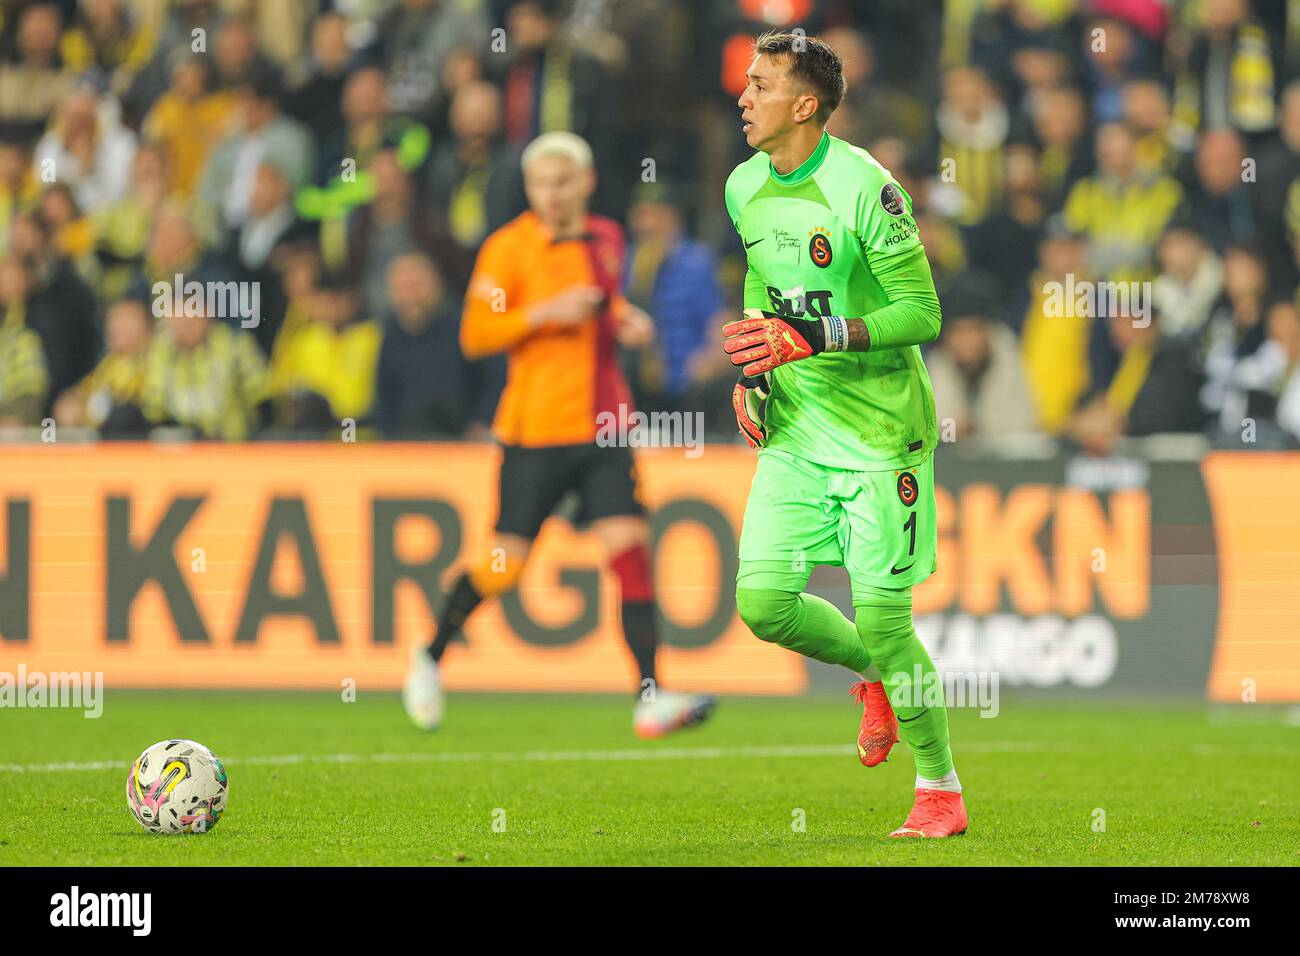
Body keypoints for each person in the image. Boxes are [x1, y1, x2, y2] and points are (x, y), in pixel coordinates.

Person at [722, 31, 964, 838]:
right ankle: (874, 676)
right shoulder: (744, 185)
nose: (743, 97)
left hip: (880, 436)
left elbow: (922, 314)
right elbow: (763, 282)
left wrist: (814, 337)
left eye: (760, 85)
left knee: (888, 622)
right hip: (796, 427)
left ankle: (939, 790)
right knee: (763, 604)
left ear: (805, 106)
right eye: (746, 82)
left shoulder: (866, 189)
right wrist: (755, 373)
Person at [402, 131, 714, 738]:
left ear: (586, 183)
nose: (552, 194)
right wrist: (545, 313)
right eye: (541, 183)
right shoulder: (507, 249)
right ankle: (430, 654)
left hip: (603, 429)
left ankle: (650, 695)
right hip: (535, 432)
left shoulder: (608, 238)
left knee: (630, 551)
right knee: (504, 566)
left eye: (562, 182)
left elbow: (604, 304)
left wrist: (625, 320)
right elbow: (476, 332)